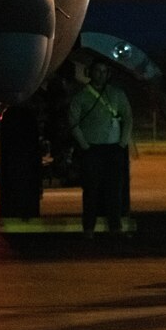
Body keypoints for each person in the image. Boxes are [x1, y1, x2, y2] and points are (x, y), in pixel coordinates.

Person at [68, 59, 132, 238]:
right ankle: (88, 227)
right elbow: (73, 122)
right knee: (91, 190)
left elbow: (128, 118)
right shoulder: (81, 97)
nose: (101, 75)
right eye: (98, 71)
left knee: (115, 190)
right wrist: (85, 145)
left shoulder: (117, 94)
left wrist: (122, 143)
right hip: (92, 150)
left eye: (104, 71)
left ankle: (115, 227)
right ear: (90, 73)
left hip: (113, 149)